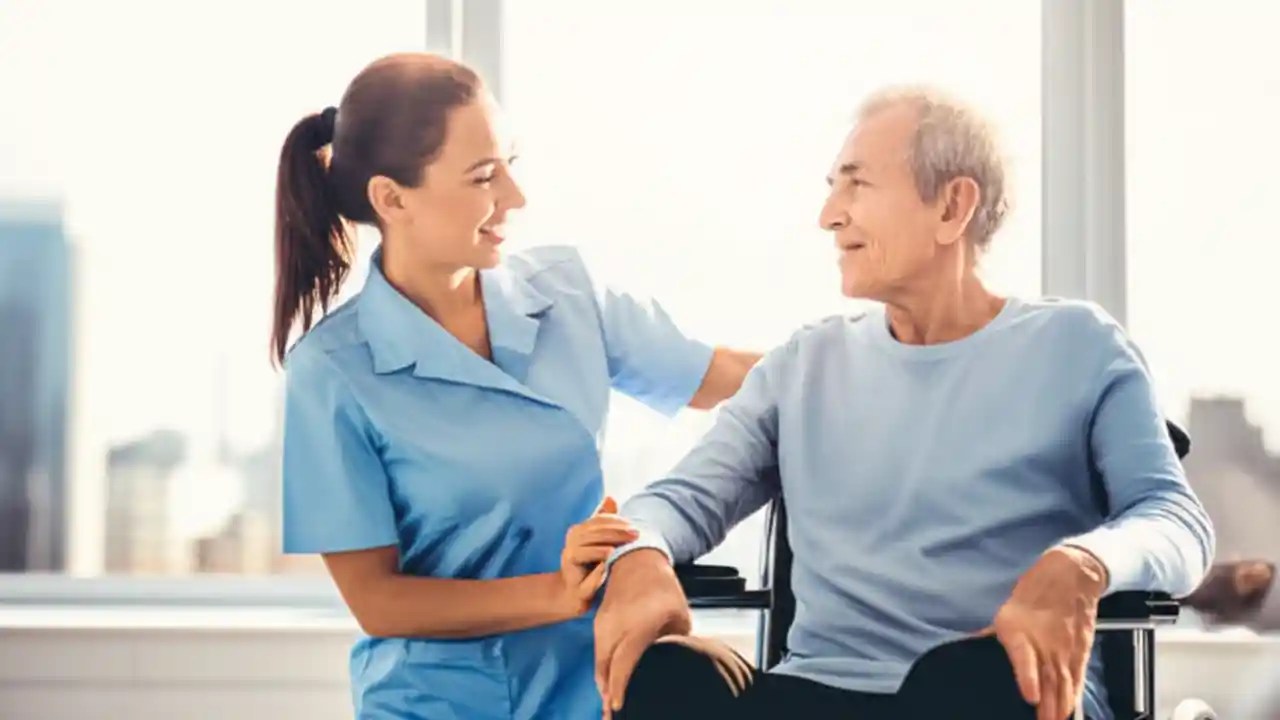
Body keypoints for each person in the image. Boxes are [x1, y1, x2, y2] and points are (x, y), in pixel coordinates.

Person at [593, 87, 1216, 720]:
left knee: (971, 682)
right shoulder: (805, 364)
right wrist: (640, 554)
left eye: (856, 185)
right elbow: (674, 502)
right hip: (817, 695)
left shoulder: (1078, 346)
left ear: (952, 206)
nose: (829, 215)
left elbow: (1176, 520)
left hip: (992, 690)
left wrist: (1083, 562)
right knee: (672, 677)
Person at [272, 53, 759, 719]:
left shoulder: (567, 294)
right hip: (437, 704)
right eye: (482, 177)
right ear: (393, 198)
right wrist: (555, 594)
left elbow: (721, 378)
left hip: (595, 694)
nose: (515, 197)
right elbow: (377, 600)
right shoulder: (331, 373)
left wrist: (874, 351)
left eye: (510, 165)